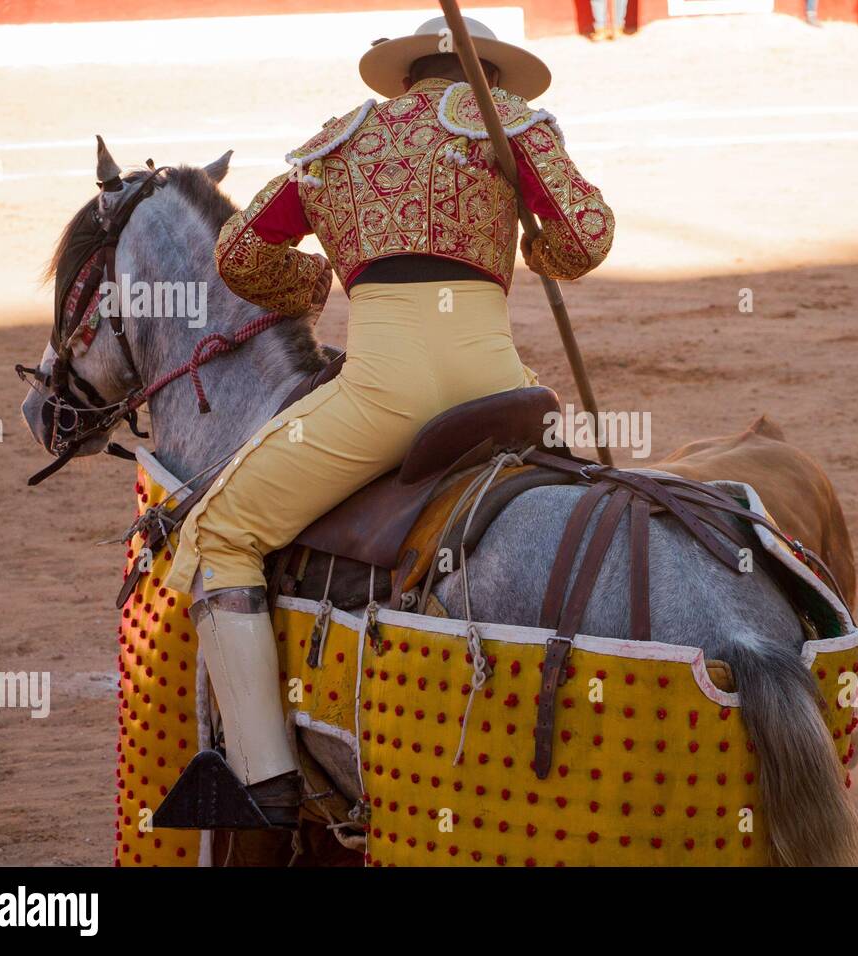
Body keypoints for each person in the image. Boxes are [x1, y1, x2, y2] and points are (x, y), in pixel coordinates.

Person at [155, 16, 615, 829]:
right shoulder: (514, 124)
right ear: (490, 74)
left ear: (401, 77)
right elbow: (587, 237)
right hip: (505, 391)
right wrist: (538, 250)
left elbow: (238, 257)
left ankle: (265, 790)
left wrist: (315, 280)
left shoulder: (337, 143)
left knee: (221, 534)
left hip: (386, 396)